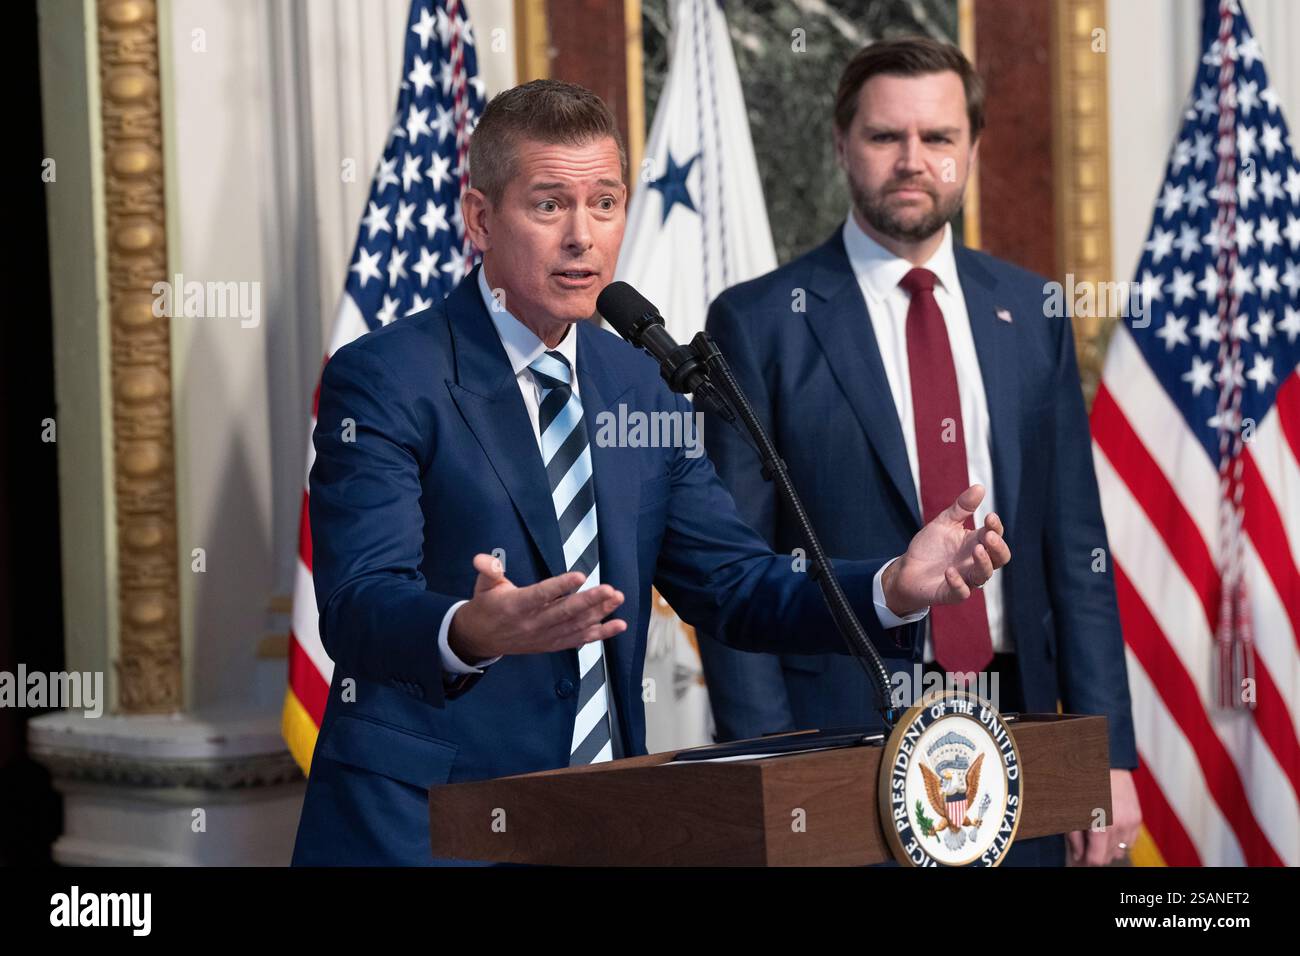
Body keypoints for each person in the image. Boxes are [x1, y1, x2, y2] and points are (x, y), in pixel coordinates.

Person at [289, 79, 1009, 866]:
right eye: (549, 204)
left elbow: (731, 584)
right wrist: (469, 630)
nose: (583, 237)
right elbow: (357, 605)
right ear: (479, 217)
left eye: (604, 203)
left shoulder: (638, 380)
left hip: (604, 816)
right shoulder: (388, 377)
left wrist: (893, 585)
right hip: (427, 828)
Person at [695, 37, 1140, 867]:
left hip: (1019, 729)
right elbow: (733, 571)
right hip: (836, 747)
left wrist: (1107, 755)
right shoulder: (757, 324)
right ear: (840, 145)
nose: (913, 160)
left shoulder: (1032, 310)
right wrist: (763, 770)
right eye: (884, 137)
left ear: (970, 150)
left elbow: (1076, 544)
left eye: (937, 138)